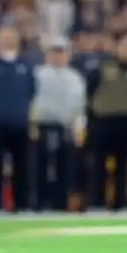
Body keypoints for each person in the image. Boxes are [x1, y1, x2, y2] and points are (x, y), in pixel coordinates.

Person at [0, 26, 36, 212]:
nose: (7, 40)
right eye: (3, 37)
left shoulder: (26, 66)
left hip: (20, 123)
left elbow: (31, 92)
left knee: (22, 166)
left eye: (10, 36)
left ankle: (22, 204)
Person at [88, 32, 127, 210]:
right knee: (99, 164)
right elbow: (90, 92)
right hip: (102, 121)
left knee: (123, 165)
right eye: (126, 46)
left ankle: (120, 203)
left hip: (125, 121)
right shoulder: (103, 66)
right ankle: (96, 202)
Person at [32, 38, 86, 211]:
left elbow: (80, 106)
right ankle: (40, 203)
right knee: (40, 168)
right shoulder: (38, 75)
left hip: (65, 127)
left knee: (65, 169)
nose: (58, 56)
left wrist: (79, 128)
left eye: (61, 52)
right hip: (42, 125)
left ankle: (61, 205)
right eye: (54, 52)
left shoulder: (74, 78)